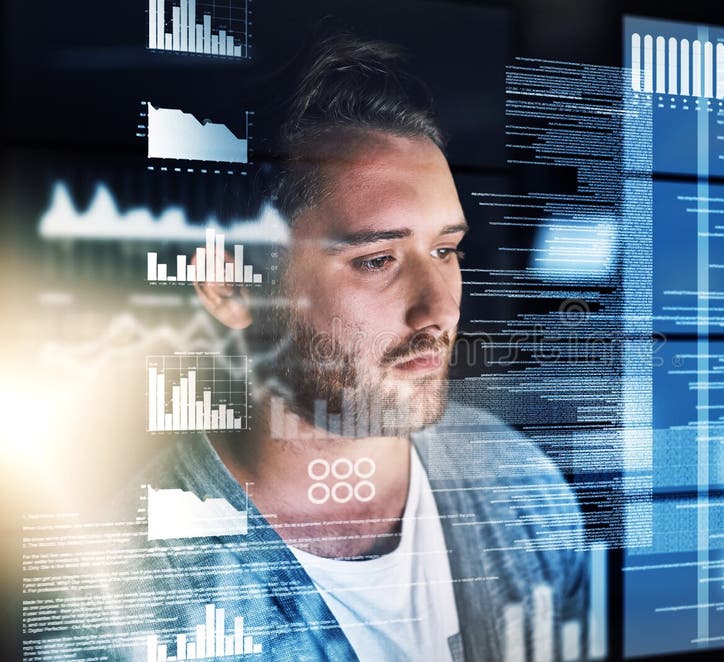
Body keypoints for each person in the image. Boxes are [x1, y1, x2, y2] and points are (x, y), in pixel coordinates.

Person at [35, 36, 588, 662]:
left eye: (445, 251)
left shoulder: (517, 485)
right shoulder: (112, 604)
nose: (439, 309)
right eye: (376, 260)